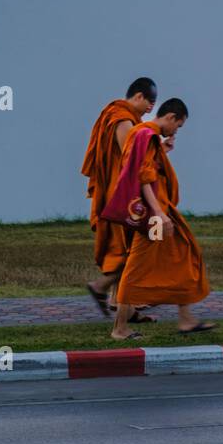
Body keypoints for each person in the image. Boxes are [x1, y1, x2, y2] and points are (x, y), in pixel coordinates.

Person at [111, 98, 214, 341]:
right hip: (153, 217)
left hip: (161, 212)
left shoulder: (147, 136)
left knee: (184, 255)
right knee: (137, 267)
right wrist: (158, 213)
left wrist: (163, 151)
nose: (176, 130)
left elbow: (148, 168)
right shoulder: (146, 135)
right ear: (170, 117)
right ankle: (119, 328)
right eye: (178, 125)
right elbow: (143, 177)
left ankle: (186, 319)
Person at [81, 77, 157, 315]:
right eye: (150, 100)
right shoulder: (121, 118)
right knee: (131, 248)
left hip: (115, 190)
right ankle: (101, 287)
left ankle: (118, 299)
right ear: (138, 96)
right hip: (120, 194)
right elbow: (131, 156)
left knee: (125, 246)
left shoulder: (121, 116)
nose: (151, 107)